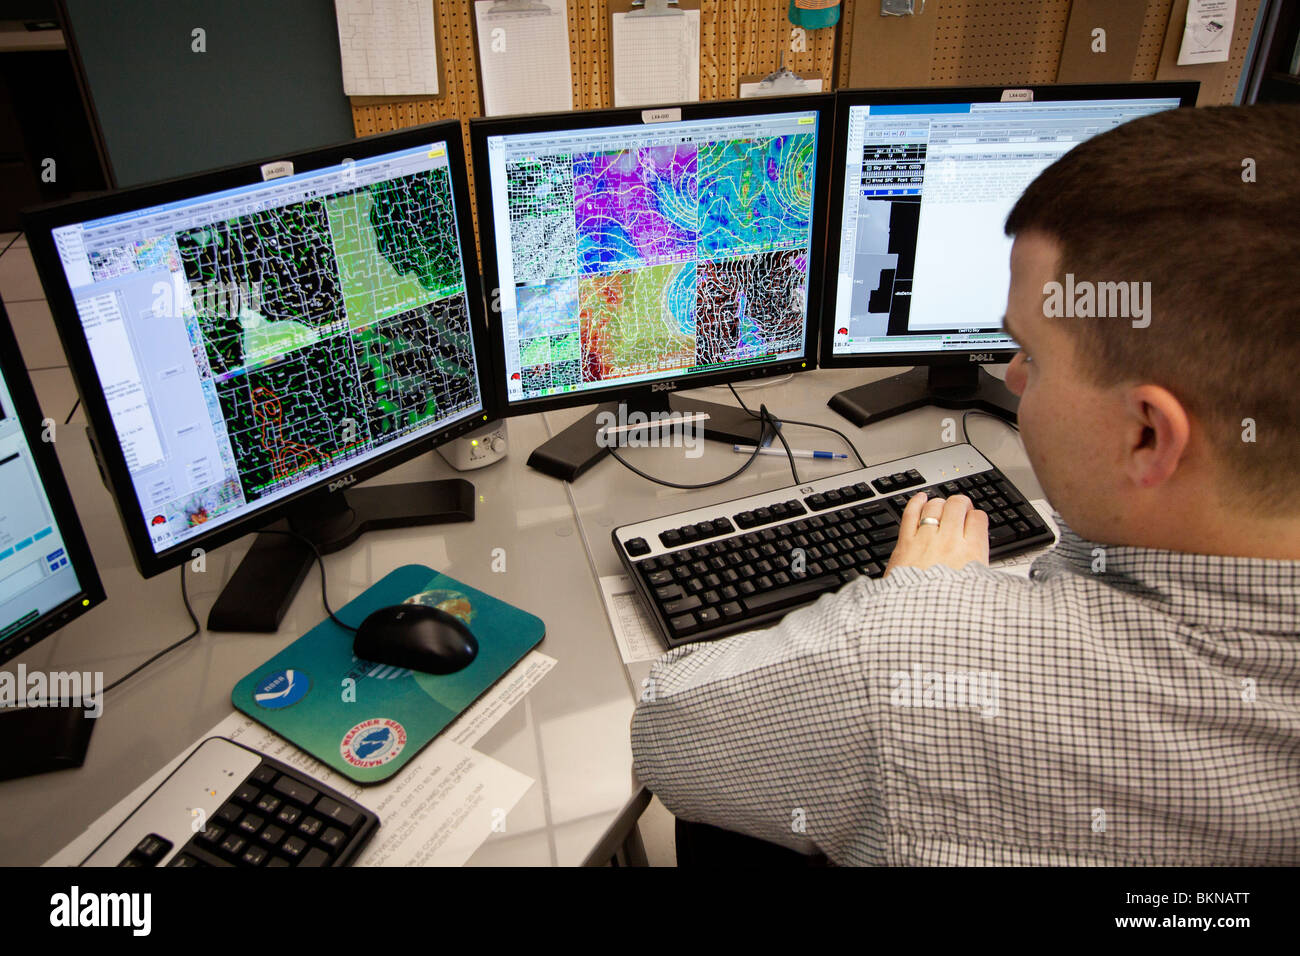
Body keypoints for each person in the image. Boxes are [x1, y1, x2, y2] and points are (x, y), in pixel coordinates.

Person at [630, 103, 1300, 866]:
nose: (1010, 376)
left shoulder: (911, 658)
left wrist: (917, 604)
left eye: (1031, 357)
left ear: (1149, 433)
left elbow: (664, 732)